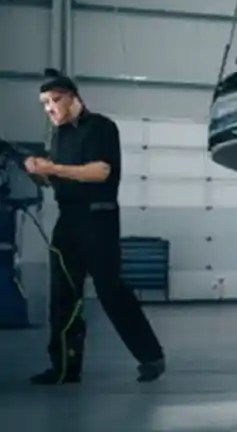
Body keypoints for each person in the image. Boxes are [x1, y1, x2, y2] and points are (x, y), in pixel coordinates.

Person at [23, 71, 166, 385]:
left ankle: (151, 356)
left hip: (98, 219)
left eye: (55, 100)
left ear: (74, 97)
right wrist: (38, 172)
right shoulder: (58, 136)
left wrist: (53, 167)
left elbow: (100, 171)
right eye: (44, 103)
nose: (49, 107)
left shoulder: (101, 127)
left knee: (110, 290)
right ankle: (64, 367)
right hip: (68, 220)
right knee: (62, 296)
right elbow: (56, 178)